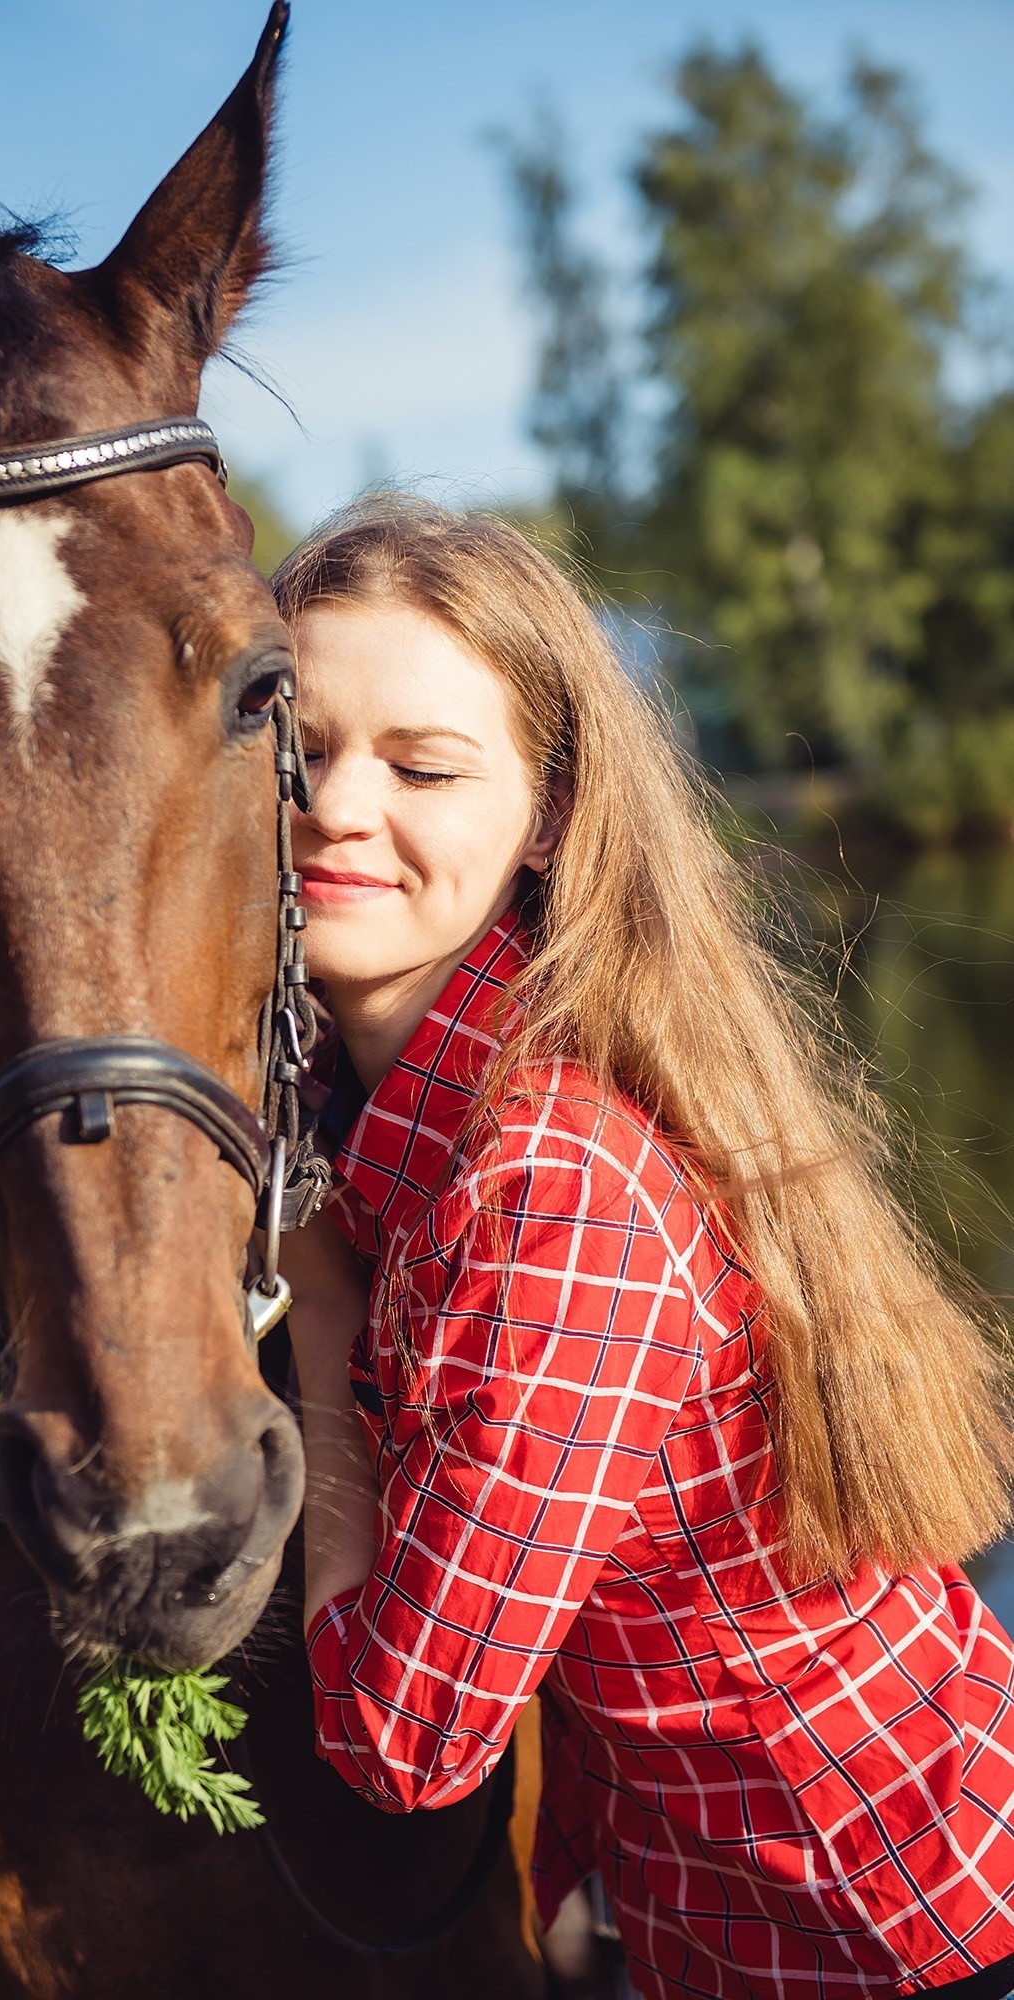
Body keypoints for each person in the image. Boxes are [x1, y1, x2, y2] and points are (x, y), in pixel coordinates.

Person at [270, 496, 1014, 2000]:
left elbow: (406, 1735)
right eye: (293, 752)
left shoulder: (548, 1177)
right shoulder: (409, 1116)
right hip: (714, 1926)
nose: (337, 805)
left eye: (421, 764)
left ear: (546, 815)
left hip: (903, 1939)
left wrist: (330, 1307)